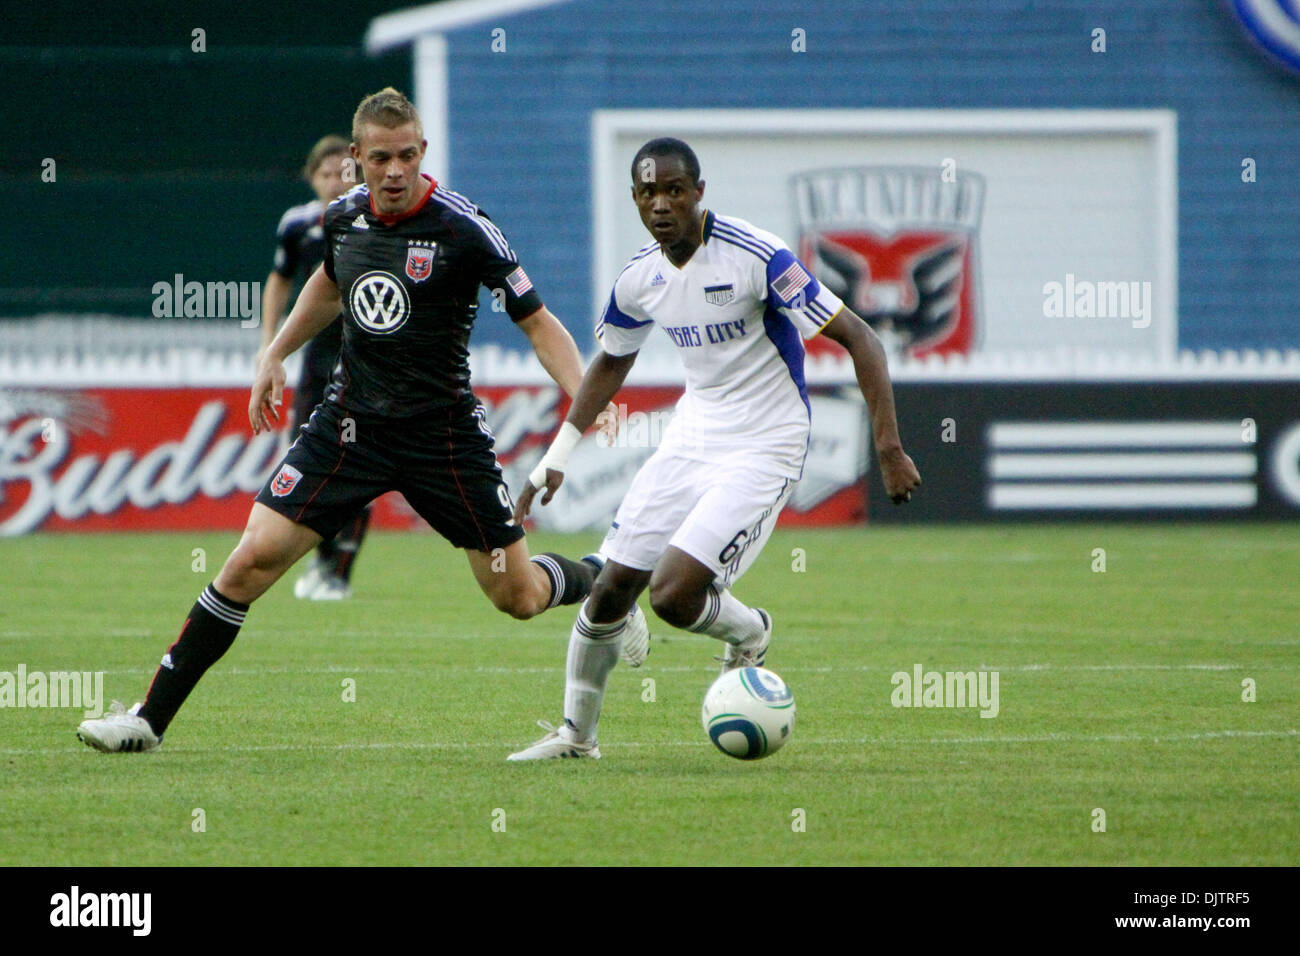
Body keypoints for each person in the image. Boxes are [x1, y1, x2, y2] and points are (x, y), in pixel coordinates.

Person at [76, 88, 644, 753]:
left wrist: (585, 400)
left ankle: (605, 582)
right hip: (349, 427)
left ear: (423, 152)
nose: (396, 170)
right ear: (357, 158)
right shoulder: (342, 220)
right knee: (248, 561)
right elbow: (328, 282)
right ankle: (147, 719)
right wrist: (276, 353)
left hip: (443, 436)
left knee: (515, 595)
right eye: (381, 158)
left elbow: (539, 323)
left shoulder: (465, 229)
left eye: (407, 155)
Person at [506, 137, 921, 761]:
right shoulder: (640, 279)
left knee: (672, 597)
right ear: (636, 201)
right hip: (694, 436)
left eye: (675, 190)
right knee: (611, 589)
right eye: (648, 193)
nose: (662, 204)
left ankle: (751, 631)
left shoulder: (758, 257)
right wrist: (558, 453)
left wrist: (888, 446)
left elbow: (861, 338)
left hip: (767, 442)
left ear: (699, 192)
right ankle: (577, 737)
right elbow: (611, 362)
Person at [259, 134, 369, 601]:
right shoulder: (298, 225)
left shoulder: (370, 220)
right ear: (312, 177)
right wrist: (270, 348)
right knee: (308, 459)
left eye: (343, 172)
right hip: (315, 362)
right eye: (325, 173)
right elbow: (279, 283)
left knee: (360, 465)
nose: (333, 181)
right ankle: (321, 564)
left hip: (364, 362)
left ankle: (337, 572)